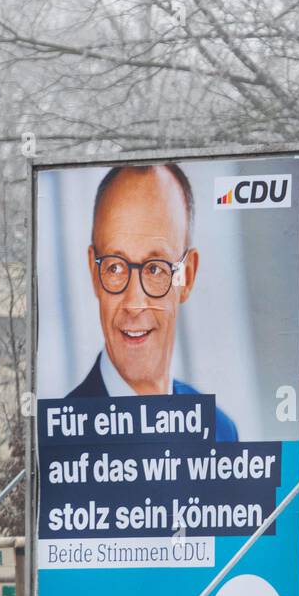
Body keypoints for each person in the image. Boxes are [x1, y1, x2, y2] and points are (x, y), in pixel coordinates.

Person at [66, 162, 238, 442]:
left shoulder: (221, 432)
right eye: (115, 267)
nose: (134, 305)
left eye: (155, 268)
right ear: (93, 273)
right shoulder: (59, 441)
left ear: (188, 276)